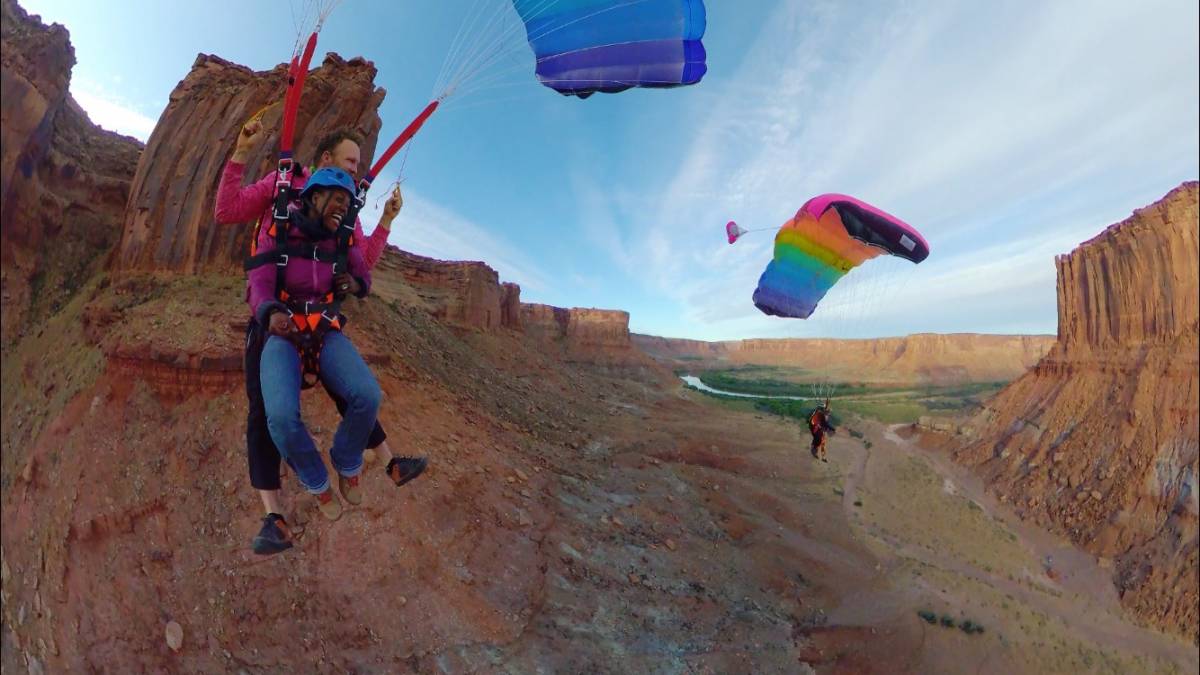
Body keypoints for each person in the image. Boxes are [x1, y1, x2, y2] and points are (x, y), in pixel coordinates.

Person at [215, 122, 426, 554]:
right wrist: (240, 154)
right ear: (326, 160)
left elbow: (359, 261)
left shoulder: (342, 215)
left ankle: (364, 464)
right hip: (276, 319)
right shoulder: (282, 192)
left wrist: (382, 226)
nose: (356, 169)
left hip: (322, 323)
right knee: (270, 415)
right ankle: (282, 507)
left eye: (359, 166)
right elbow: (229, 214)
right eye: (351, 161)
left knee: (361, 393)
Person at [249, 166, 379, 521]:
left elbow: (363, 275)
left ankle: (347, 462)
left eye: (348, 203)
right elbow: (258, 283)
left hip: (324, 330)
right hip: (284, 331)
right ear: (314, 197)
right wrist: (271, 311)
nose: (343, 207)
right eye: (337, 199)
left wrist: (352, 284)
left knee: (367, 396)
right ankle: (317, 482)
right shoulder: (280, 229)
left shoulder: (343, 238)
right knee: (280, 417)